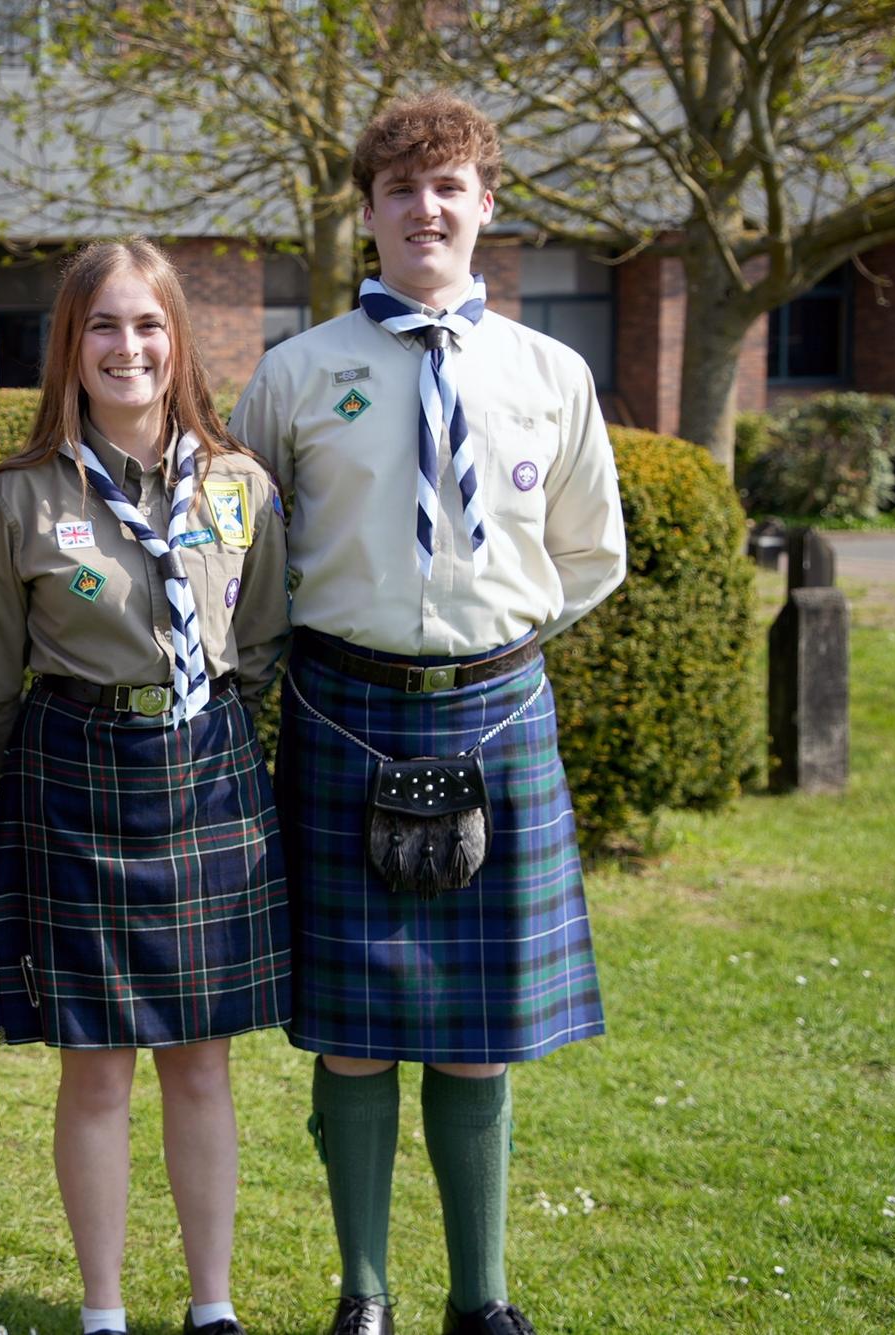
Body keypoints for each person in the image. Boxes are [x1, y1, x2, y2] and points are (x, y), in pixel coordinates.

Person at [229, 93, 627, 1335]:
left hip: (496, 712)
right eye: (399, 189)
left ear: (485, 204)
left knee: (477, 1035)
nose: (424, 209)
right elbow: (243, 551)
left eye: (447, 186)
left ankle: (479, 1299)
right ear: (366, 211)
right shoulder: (295, 373)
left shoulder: (548, 373)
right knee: (350, 1035)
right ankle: (362, 1293)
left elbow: (590, 551)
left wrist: (488, 654)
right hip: (342, 710)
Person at [0, 240, 291, 1335]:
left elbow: (261, 643)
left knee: (200, 1065)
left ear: (177, 339)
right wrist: (51, 767)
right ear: (69, 344)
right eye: (102, 324)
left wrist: (208, 734)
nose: (127, 346)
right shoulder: (20, 496)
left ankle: (212, 1306)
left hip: (208, 773)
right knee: (95, 1071)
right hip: (75, 781)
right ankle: (102, 1311)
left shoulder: (239, 484)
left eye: (148, 324)